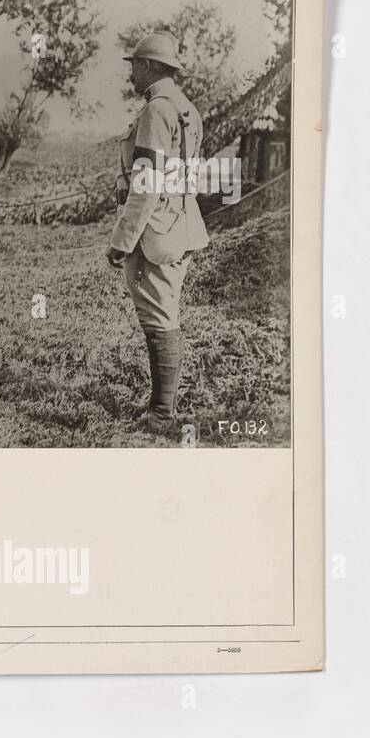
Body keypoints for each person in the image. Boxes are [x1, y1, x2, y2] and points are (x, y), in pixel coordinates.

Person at [106, 32, 209, 437]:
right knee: (164, 314)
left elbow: (146, 184)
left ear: (149, 67)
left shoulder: (155, 111)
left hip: (155, 233)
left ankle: (160, 414)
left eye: (135, 64)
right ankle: (160, 406)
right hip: (182, 226)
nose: (132, 71)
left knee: (159, 319)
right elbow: (190, 178)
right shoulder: (188, 110)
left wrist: (121, 240)